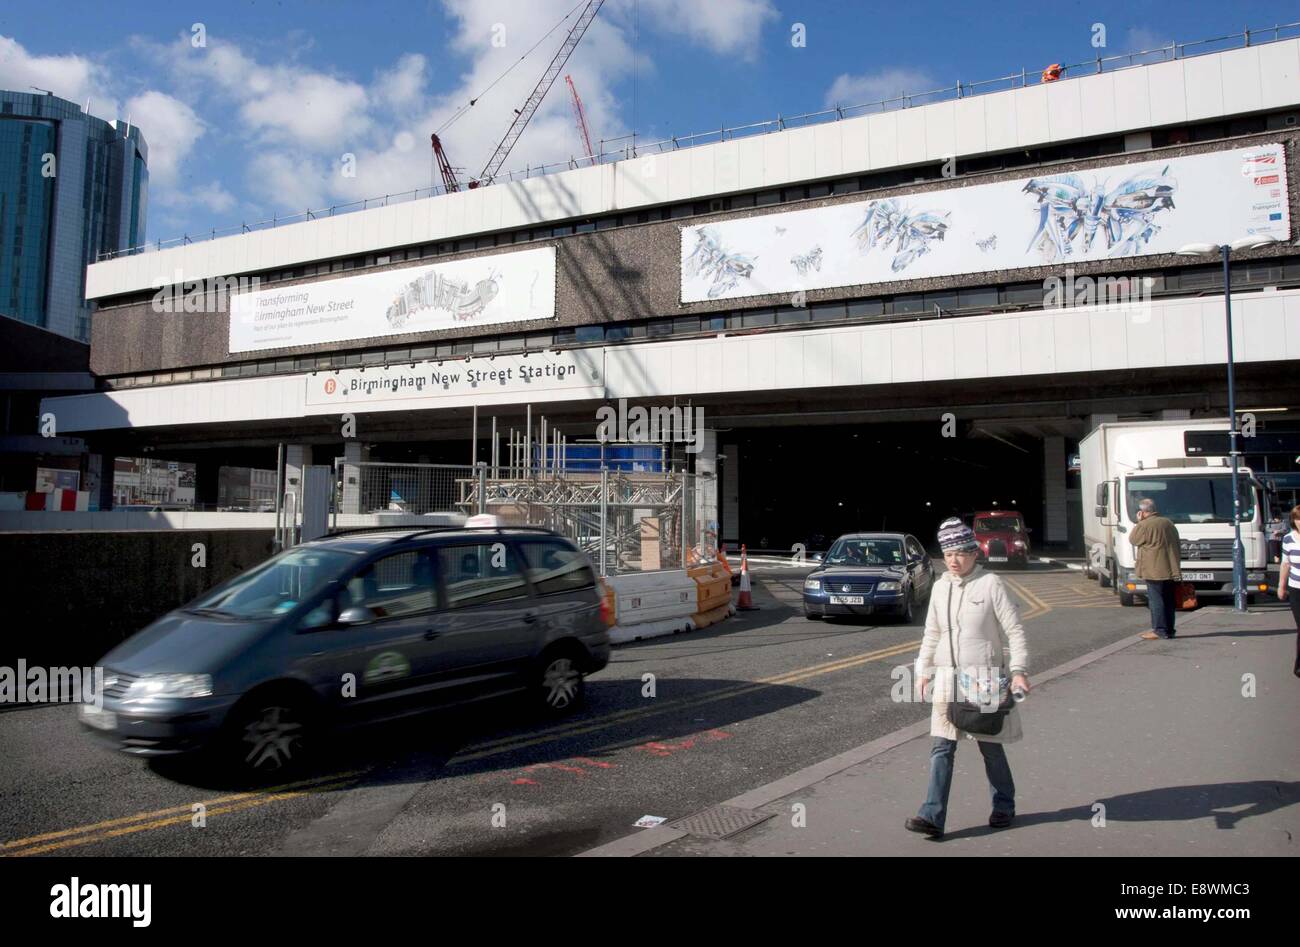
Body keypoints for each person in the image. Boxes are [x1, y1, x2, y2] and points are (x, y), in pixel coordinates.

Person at [906, 517, 1030, 839]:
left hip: (983, 680)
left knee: (990, 746)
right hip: (947, 679)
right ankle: (931, 815)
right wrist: (923, 672)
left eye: (960, 552)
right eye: (948, 553)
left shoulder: (991, 584)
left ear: (974, 553)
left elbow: (1014, 631)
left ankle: (1004, 804)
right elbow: (931, 633)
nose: (953, 560)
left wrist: (1018, 672)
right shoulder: (940, 587)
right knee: (941, 748)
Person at [1129, 498, 1181, 640]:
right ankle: (1170, 630)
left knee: (1156, 600)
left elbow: (1133, 540)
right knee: (1169, 600)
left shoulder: (1144, 525)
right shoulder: (1168, 523)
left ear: (1143, 512)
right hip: (1170, 567)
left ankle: (1159, 630)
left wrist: (1139, 522)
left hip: (1153, 569)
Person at [1278, 505, 1300, 678]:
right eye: (1298, 519)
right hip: (1296, 589)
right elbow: (1285, 564)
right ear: (1293, 521)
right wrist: (1281, 585)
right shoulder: (1288, 539)